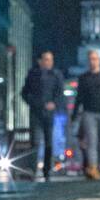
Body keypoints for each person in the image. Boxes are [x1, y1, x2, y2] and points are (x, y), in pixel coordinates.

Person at [71, 48, 100, 180]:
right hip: (88, 113)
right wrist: (74, 115)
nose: (93, 61)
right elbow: (78, 98)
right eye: (91, 59)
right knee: (92, 140)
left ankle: (97, 166)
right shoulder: (83, 78)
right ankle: (93, 167)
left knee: (99, 142)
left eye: (95, 59)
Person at [20, 50, 65, 181]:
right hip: (36, 112)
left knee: (48, 142)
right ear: (40, 61)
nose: (49, 62)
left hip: (49, 114)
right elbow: (24, 93)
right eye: (46, 59)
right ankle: (32, 170)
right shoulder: (32, 74)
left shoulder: (57, 75)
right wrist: (35, 103)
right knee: (34, 142)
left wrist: (54, 104)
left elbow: (60, 94)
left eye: (51, 59)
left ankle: (47, 171)